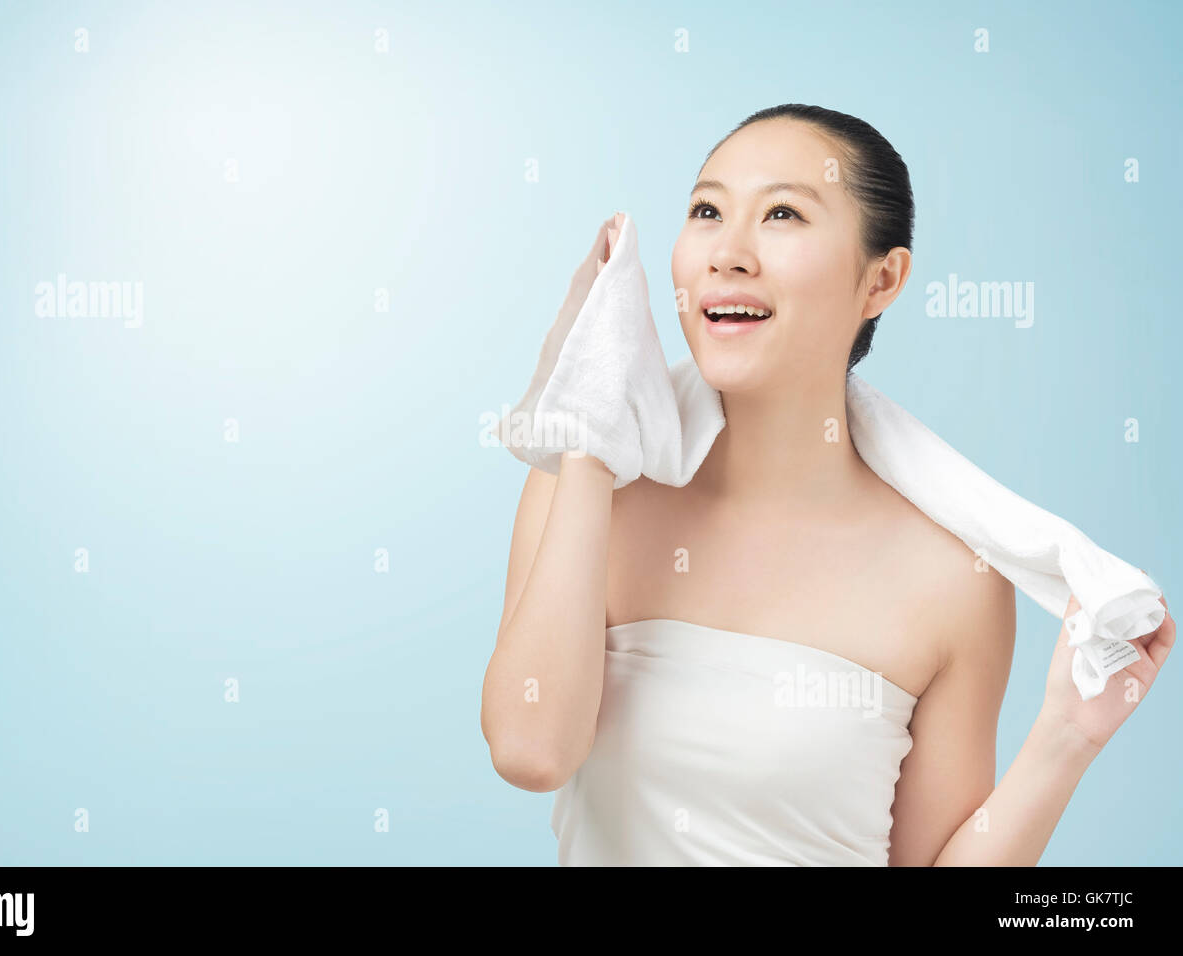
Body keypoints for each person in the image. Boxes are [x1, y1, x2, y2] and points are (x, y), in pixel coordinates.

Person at [479, 104, 1175, 866]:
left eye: (782, 213)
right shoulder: (586, 488)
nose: (729, 252)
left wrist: (1066, 740)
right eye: (707, 210)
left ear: (882, 280)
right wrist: (588, 419)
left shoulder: (954, 578)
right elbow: (530, 749)